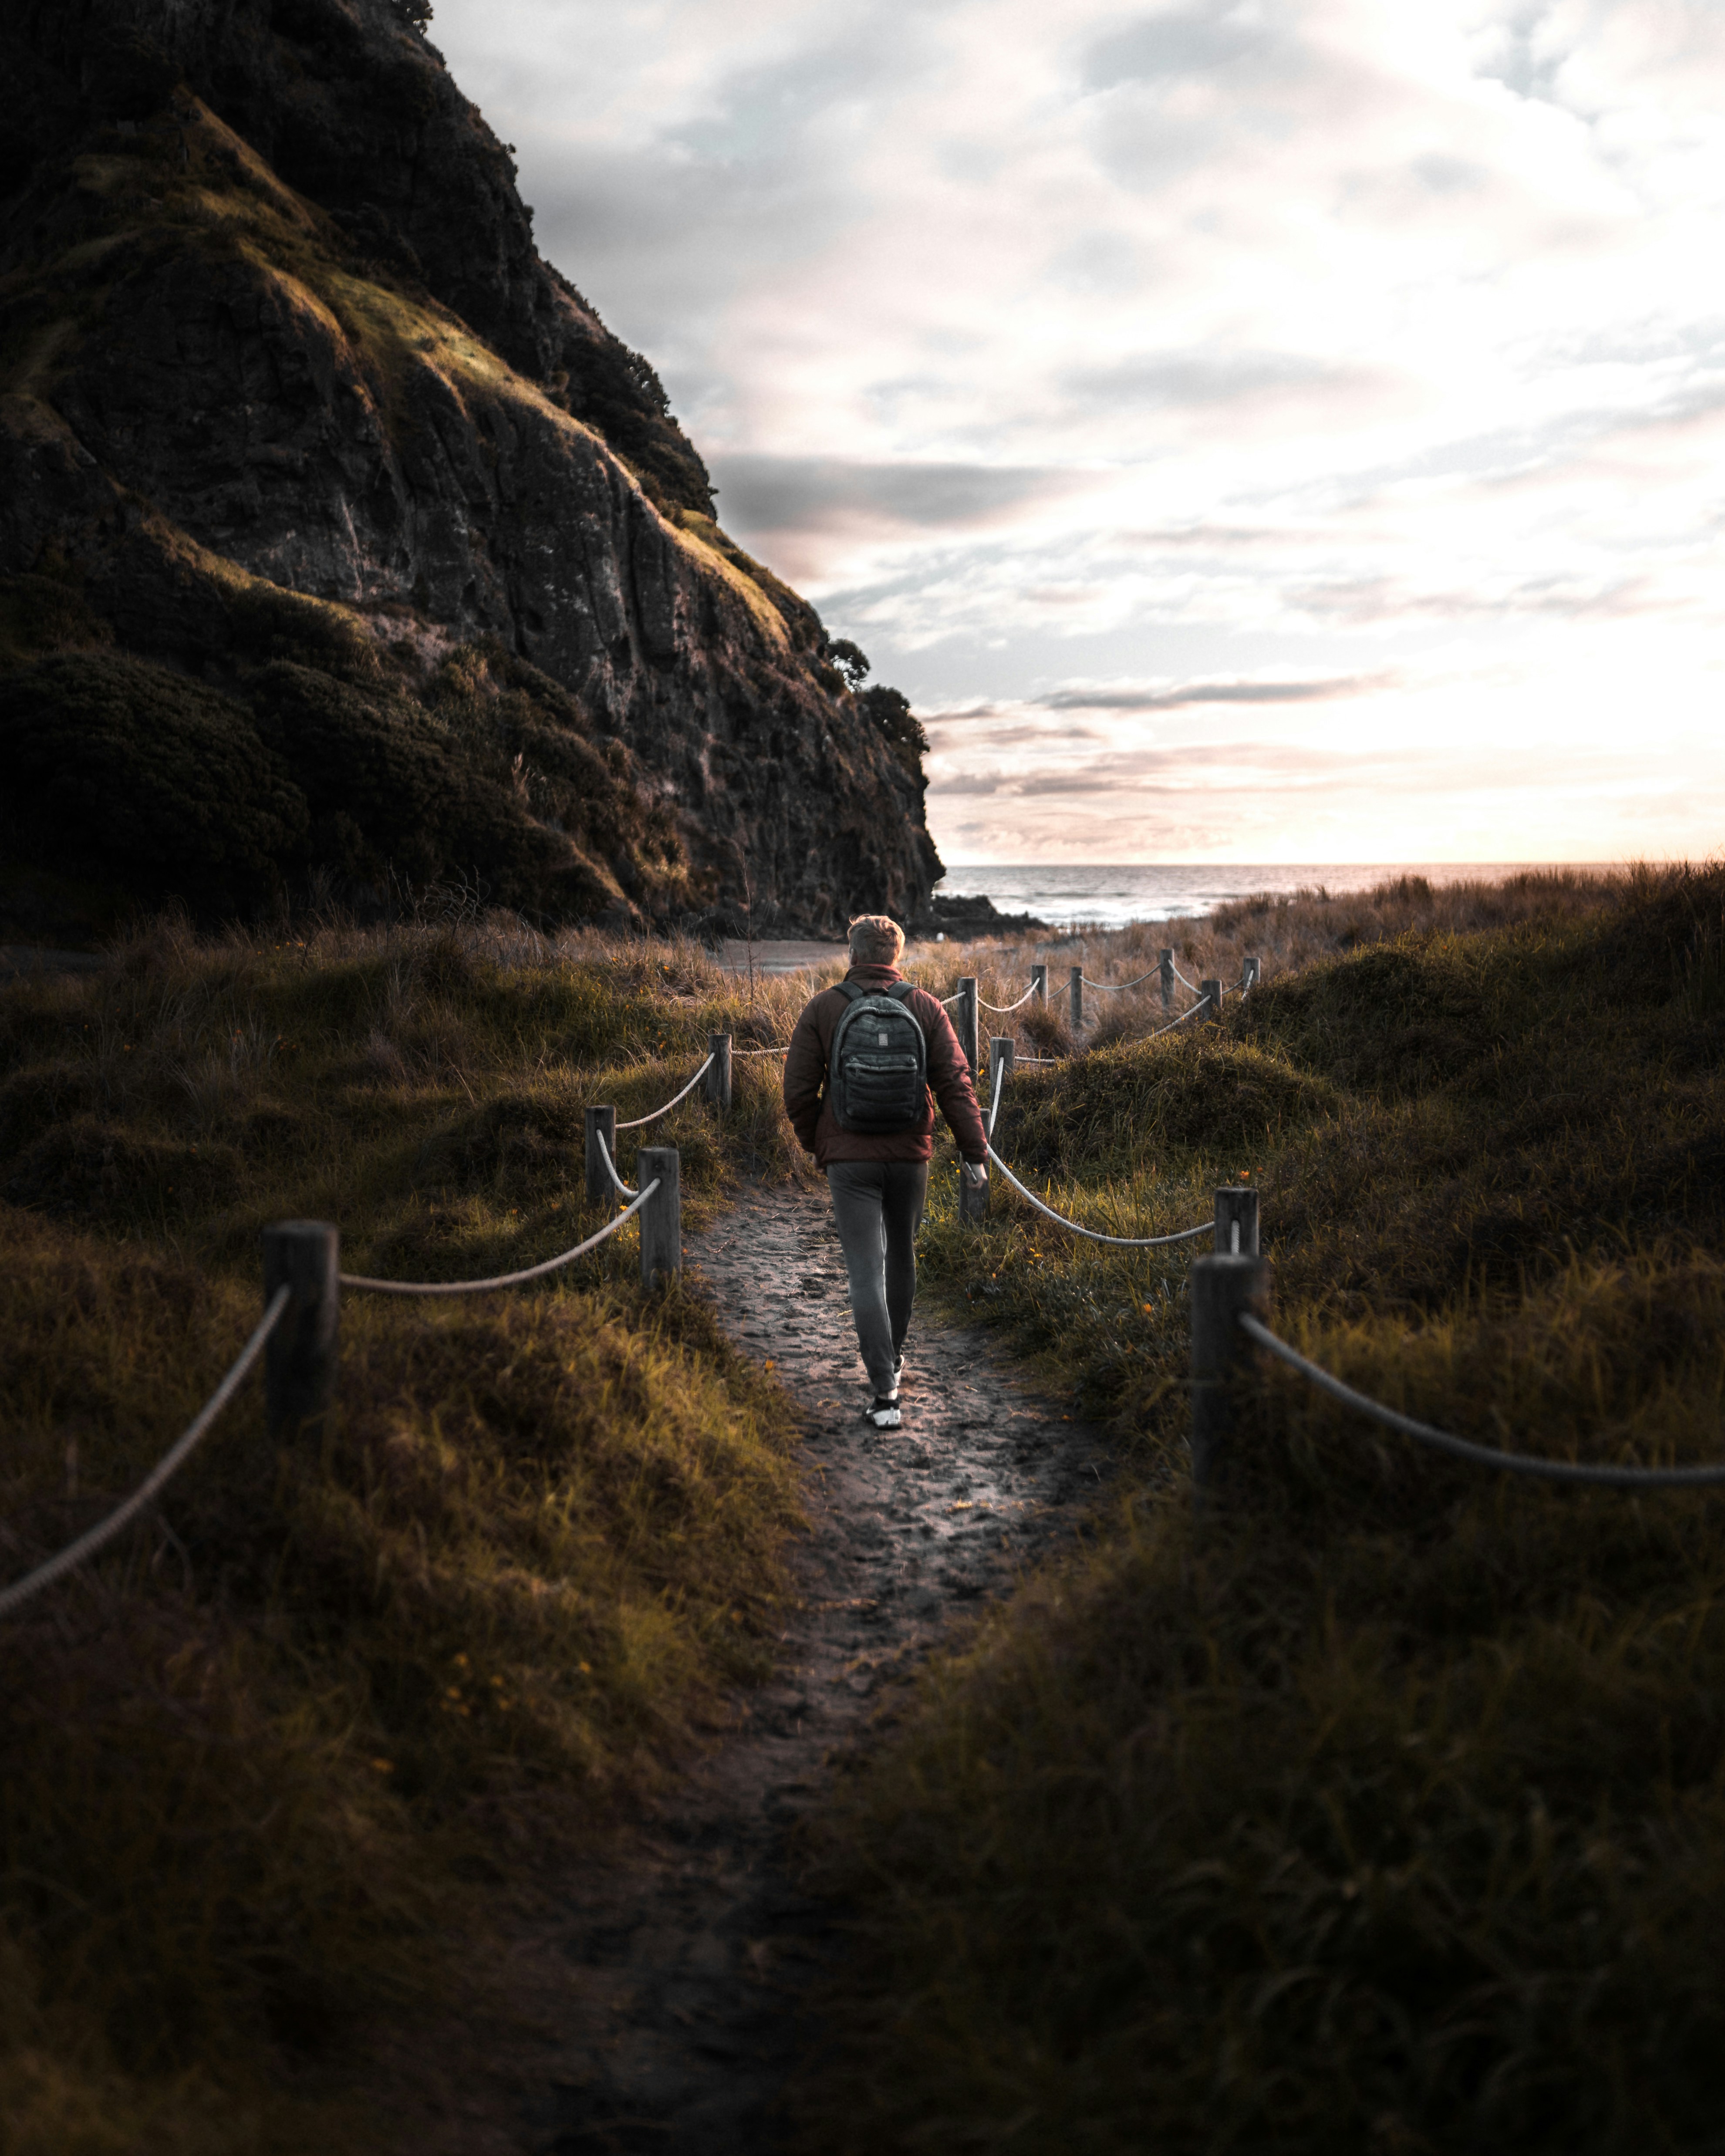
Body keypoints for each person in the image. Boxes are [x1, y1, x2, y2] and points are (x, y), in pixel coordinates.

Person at [783, 914, 989, 1430]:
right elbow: (955, 1083)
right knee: (901, 1255)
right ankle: (893, 1359)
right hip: (908, 1155)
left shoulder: (824, 1007)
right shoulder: (925, 1006)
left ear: (852, 953)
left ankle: (884, 1391)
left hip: (849, 1161)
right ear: (896, 956)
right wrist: (974, 1150)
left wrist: (821, 1144)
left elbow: (797, 1092)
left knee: (862, 1269)